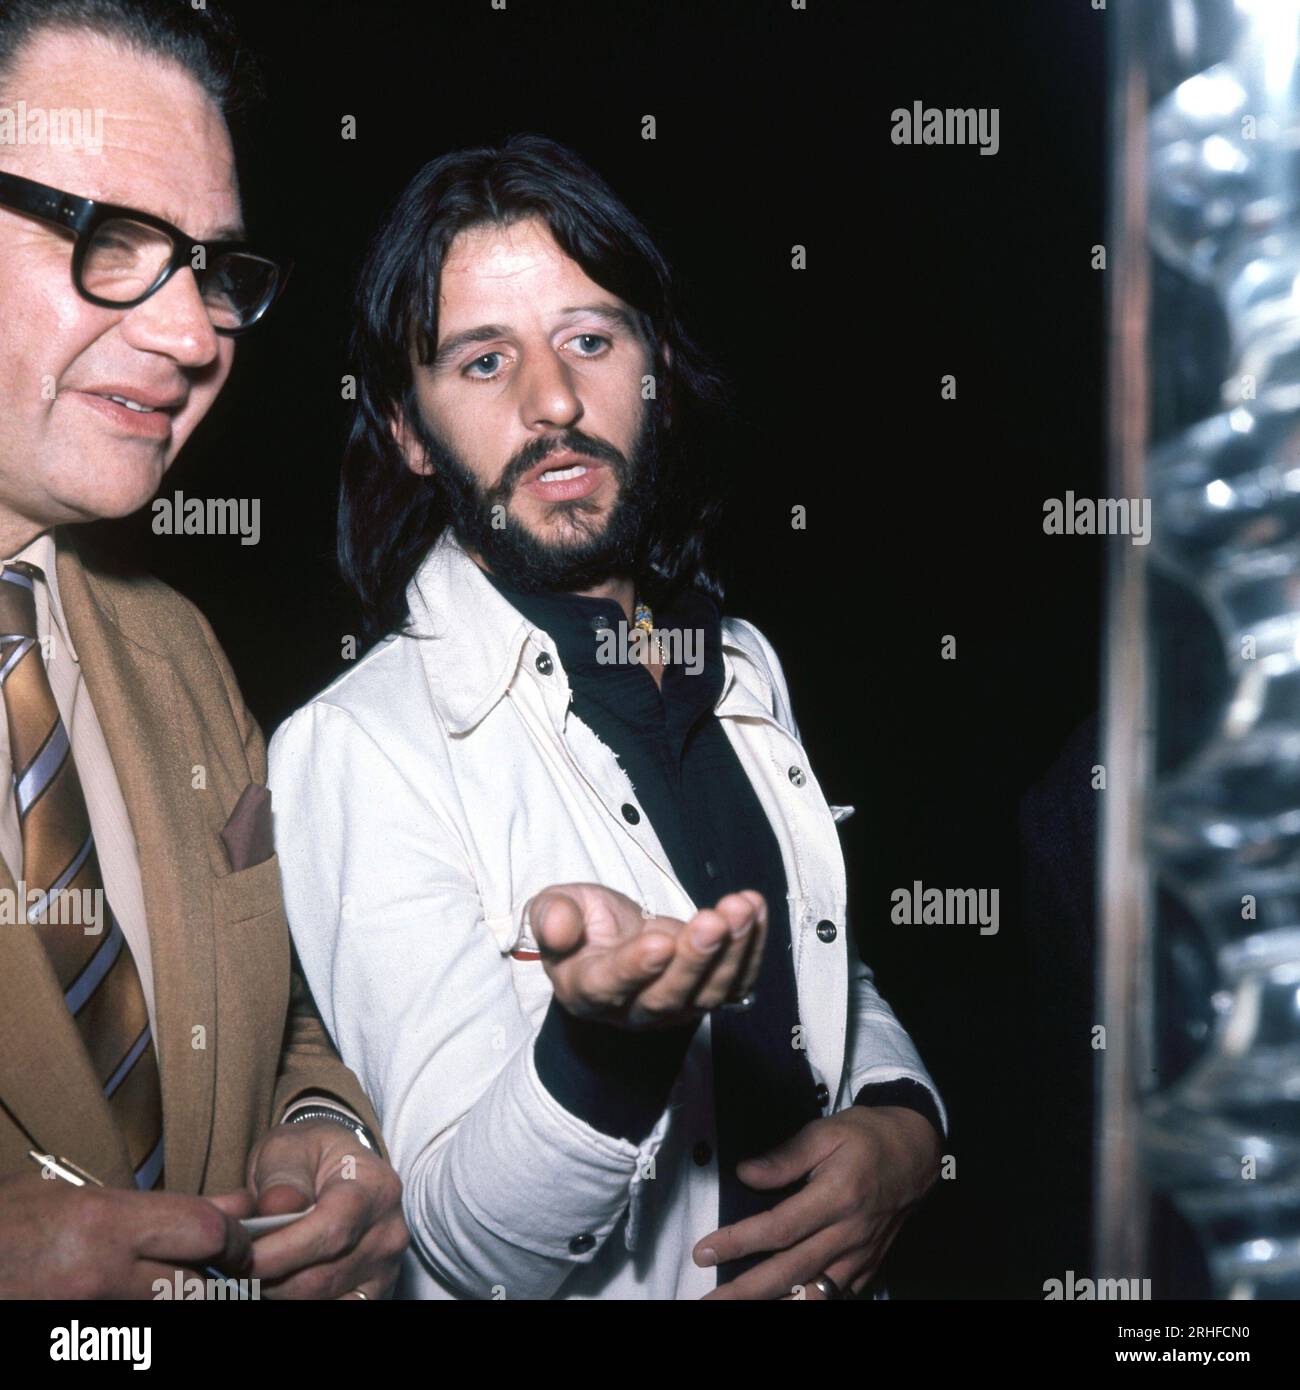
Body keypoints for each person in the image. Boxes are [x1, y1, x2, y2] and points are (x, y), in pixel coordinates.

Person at [269, 134, 946, 1300]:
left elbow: (820, 952)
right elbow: (467, 1248)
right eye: (483, 363)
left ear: (656, 369)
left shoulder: (737, 660)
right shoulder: (353, 746)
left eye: (590, 338)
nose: (554, 401)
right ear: (407, 429)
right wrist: (606, 1047)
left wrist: (902, 1123)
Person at [0, 0, 405, 1299]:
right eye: (111, 240)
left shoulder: (179, 646)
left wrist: (324, 1136)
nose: (192, 338)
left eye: (213, 269)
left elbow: (283, 1010)